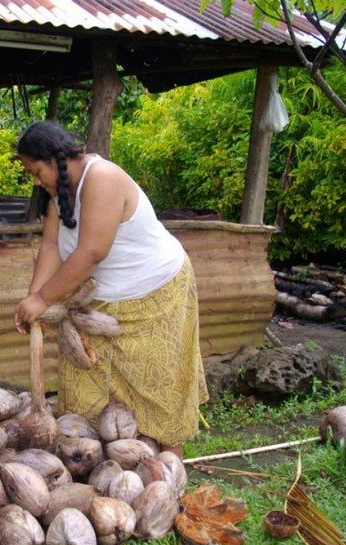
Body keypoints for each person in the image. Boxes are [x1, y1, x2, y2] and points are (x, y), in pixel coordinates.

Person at [13, 121, 208, 458]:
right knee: (85, 387)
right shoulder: (57, 194)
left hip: (154, 294)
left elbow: (91, 252)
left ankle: (170, 467)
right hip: (101, 301)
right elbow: (50, 247)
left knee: (156, 387)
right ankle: (98, 465)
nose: (35, 181)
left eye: (36, 171)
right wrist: (33, 301)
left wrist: (44, 298)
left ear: (53, 159)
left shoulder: (101, 178)